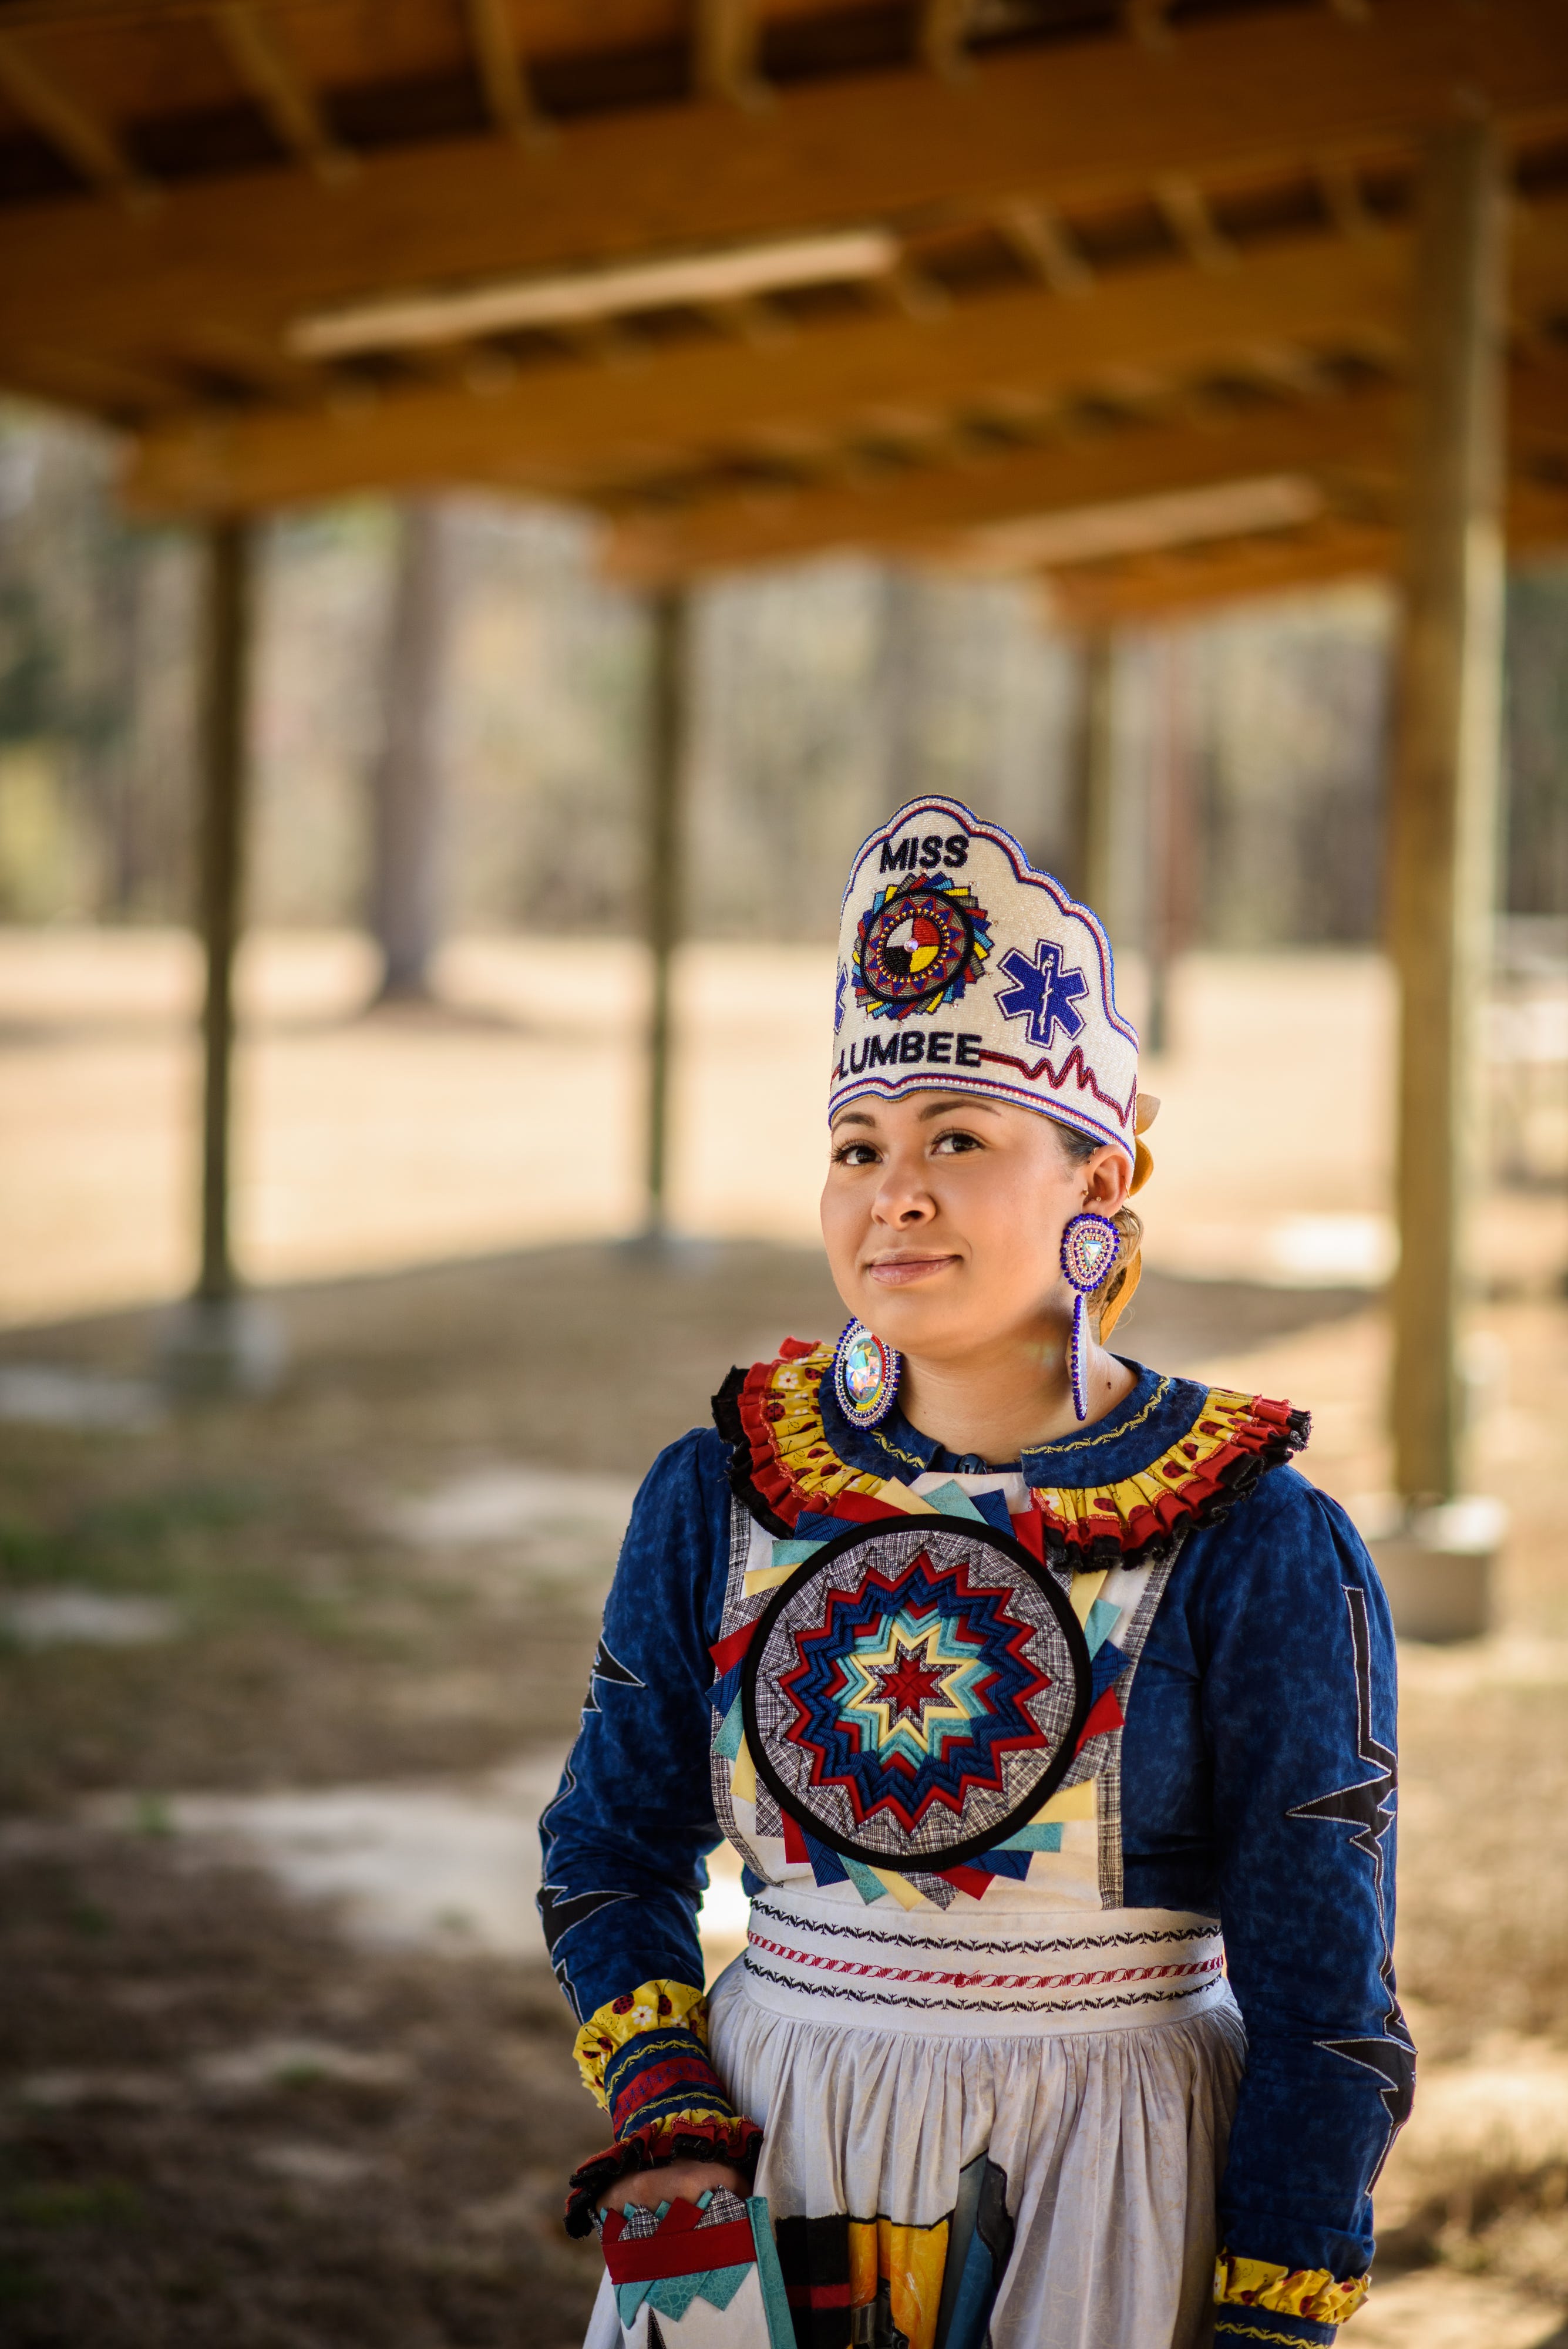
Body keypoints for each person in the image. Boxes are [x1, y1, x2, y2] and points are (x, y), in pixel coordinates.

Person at [540, 796, 1412, 2349]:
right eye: (858, 1148)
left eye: (960, 1139)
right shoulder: (720, 1496)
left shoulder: (1249, 1540)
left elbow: (1325, 2002)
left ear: (1100, 1186)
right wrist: (674, 2142)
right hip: (753, 2153)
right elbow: (611, 1847)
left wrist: (1273, 2309)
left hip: (1115, 2182)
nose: (898, 1193)